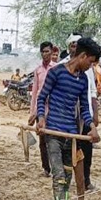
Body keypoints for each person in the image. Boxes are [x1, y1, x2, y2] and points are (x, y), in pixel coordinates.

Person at [36, 37, 101, 200]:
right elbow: (41, 97)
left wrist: (91, 127)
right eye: (90, 62)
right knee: (59, 178)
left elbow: (84, 109)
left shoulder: (82, 80)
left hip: (71, 135)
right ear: (82, 56)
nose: (90, 66)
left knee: (67, 179)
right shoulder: (56, 73)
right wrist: (41, 118)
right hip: (54, 134)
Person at [61, 34, 99, 191]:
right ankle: (65, 183)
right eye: (72, 44)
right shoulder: (61, 67)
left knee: (85, 151)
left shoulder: (87, 68)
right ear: (69, 47)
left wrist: (94, 114)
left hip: (84, 117)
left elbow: (92, 92)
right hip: (67, 119)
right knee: (67, 152)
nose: (74, 47)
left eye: (77, 44)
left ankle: (85, 181)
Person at [29, 41, 55, 177]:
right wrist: (32, 112)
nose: (45, 54)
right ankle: (46, 168)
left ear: (52, 52)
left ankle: (55, 166)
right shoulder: (38, 70)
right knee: (42, 140)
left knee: (54, 140)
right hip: (40, 109)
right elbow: (34, 92)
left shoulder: (56, 68)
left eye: (47, 51)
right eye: (43, 52)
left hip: (54, 109)